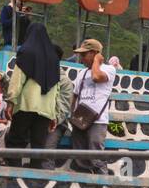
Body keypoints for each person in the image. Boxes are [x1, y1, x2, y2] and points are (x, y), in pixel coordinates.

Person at [50, 38, 116, 174]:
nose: (81, 58)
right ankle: (87, 180)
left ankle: (103, 179)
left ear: (94, 53)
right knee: (79, 153)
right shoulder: (82, 73)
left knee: (95, 151)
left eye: (84, 54)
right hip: (80, 119)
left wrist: (97, 61)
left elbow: (97, 77)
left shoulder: (108, 69)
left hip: (97, 119)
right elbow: (74, 95)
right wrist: (72, 114)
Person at [5, 23, 62, 167]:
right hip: (46, 110)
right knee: (38, 145)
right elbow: (56, 88)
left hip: (26, 105)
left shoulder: (26, 52)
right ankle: (34, 180)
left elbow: (17, 81)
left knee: (16, 141)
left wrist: (11, 102)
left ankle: (13, 173)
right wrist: (55, 113)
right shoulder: (54, 59)